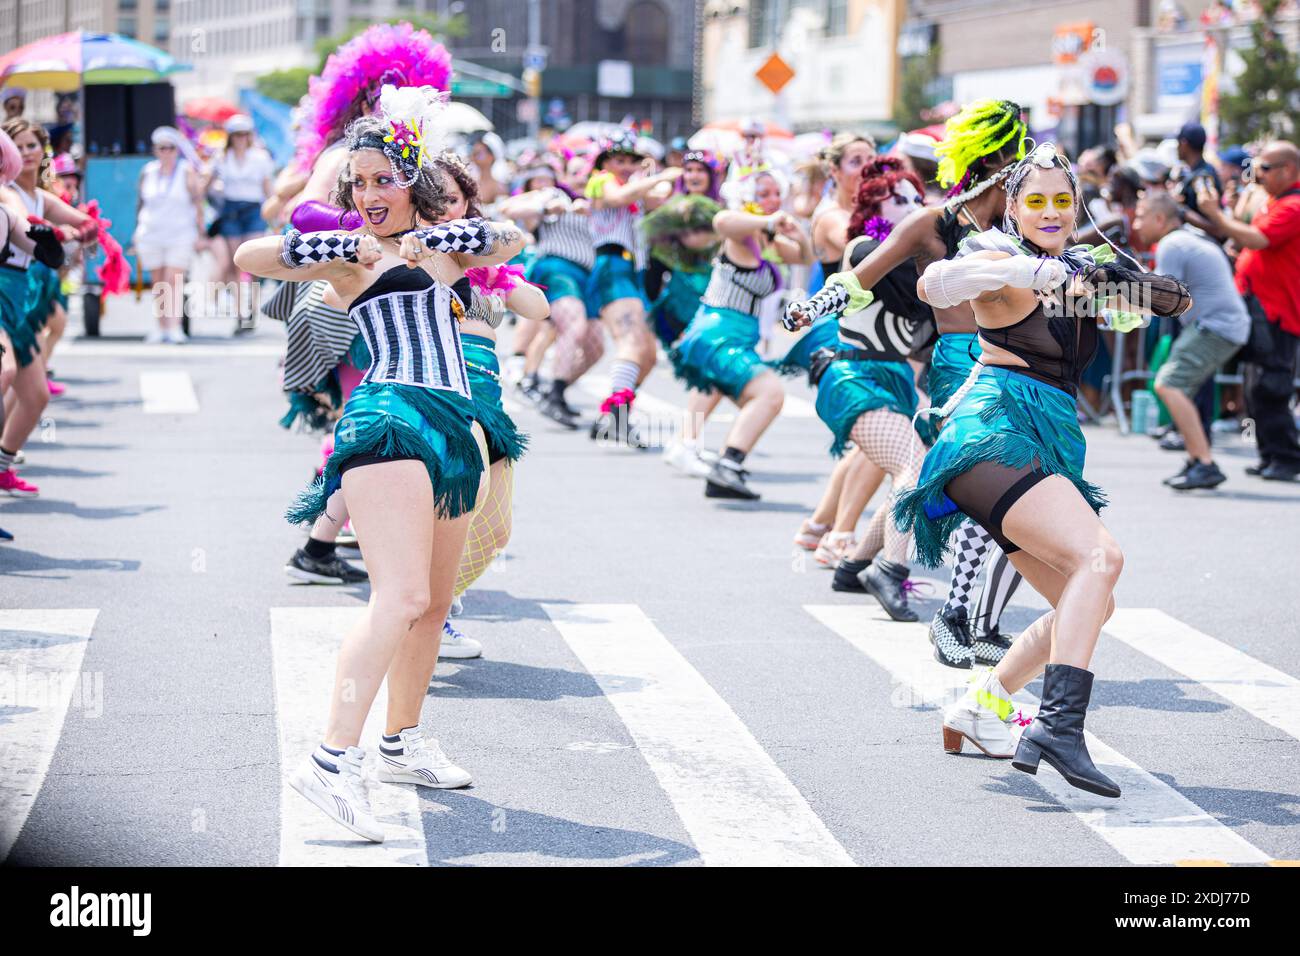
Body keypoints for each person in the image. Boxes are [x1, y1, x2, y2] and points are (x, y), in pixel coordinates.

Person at [234, 86, 526, 842]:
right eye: (356, 182)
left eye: (382, 179)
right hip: (388, 420)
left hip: (457, 430)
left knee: (432, 603)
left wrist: (441, 239)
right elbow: (249, 254)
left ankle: (400, 742)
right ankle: (331, 760)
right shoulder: (350, 256)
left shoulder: (443, 243)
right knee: (395, 598)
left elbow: (513, 241)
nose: (366, 194)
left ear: (412, 181)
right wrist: (336, 247)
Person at [898, 143, 1191, 796]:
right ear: (1013, 206)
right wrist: (1038, 276)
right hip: (994, 433)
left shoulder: (1082, 265)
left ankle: (983, 707)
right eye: (1037, 201)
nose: (1052, 211)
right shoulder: (996, 257)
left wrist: (1108, 278)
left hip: (1045, 443)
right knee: (1100, 560)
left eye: (1064, 200)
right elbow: (935, 284)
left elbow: (1176, 301)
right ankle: (1059, 727)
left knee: (1089, 602)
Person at [786, 99, 1030, 669]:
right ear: (993, 159)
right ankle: (953, 609)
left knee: (941, 475)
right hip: (963, 366)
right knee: (976, 484)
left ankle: (861, 563)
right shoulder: (934, 223)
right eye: (1016, 156)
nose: (1024, 167)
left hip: (1017, 362)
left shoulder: (1022, 225)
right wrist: (813, 306)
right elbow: (860, 276)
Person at [782, 156, 930, 617]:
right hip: (853, 375)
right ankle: (890, 568)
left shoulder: (918, 255)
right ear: (871, 208)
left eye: (915, 200)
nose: (911, 207)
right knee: (914, 466)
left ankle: (855, 562)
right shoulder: (868, 249)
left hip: (896, 380)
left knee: (918, 468)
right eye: (897, 201)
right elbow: (898, 285)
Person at [669, 165, 810, 499]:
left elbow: (805, 256)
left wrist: (795, 229)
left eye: (777, 193)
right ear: (747, 198)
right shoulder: (740, 233)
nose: (773, 200)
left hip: (735, 336)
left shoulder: (765, 240)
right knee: (770, 393)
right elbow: (722, 221)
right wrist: (769, 221)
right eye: (763, 195)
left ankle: (688, 445)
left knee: (722, 389)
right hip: (719, 334)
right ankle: (727, 463)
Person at [1196, 141, 1300, 481]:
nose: (1258, 174)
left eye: (1265, 168)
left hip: (1278, 310)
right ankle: (1270, 454)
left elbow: (1257, 239)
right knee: (1254, 384)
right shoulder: (1275, 201)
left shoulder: (1294, 206)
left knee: (1271, 384)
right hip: (1259, 306)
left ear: (1287, 170)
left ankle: (1285, 457)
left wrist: (1215, 214)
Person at [1132, 190, 1247, 490]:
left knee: (1168, 385)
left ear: (1160, 219)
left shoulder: (1173, 244)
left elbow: (1159, 297)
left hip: (1216, 327)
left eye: (1142, 216)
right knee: (1180, 388)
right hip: (1219, 325)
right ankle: (1197, 459)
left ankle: (1205, 464)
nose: (1136, 224)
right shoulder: (1183, 239)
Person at [584, 129, 682, 448]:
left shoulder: (635, 186)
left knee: (649, 355)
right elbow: (618, 198)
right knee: (630, 341)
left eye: (631, 161)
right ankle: (616, 412)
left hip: (633, 271)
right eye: (619, 160)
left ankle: (615, 413)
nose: (625, 166)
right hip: (612, 265)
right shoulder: (601, 180)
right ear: (605, 162)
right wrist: (656, 176)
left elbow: (662, 196)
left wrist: (654, 175)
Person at [133, 127, 206, 344]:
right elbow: (140, 204)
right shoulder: (148, 171)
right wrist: (136, 233)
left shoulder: (186, 171)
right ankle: (160, 326)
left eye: (170, 148)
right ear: (156, 150)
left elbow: (197, 202)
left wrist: (201, 233)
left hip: (180, 233)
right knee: (158, 282)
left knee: (173, 280)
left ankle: (174, 326)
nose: (166, 152)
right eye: (162, 148)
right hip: (152, 233)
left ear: (176, 150)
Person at [207, 114, 274, 333]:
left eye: (244, 134)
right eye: (236, 135)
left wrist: (274, 213)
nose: (240, 139)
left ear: (250, 136)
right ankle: (239, 313)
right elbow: (207, 185)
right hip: (230, 209)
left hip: (253, 209)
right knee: (236, 263)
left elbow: (267, 187)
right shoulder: (221, 158)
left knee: (251, 260)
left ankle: (251, 305)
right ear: (230, 137)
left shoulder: (260, 157)